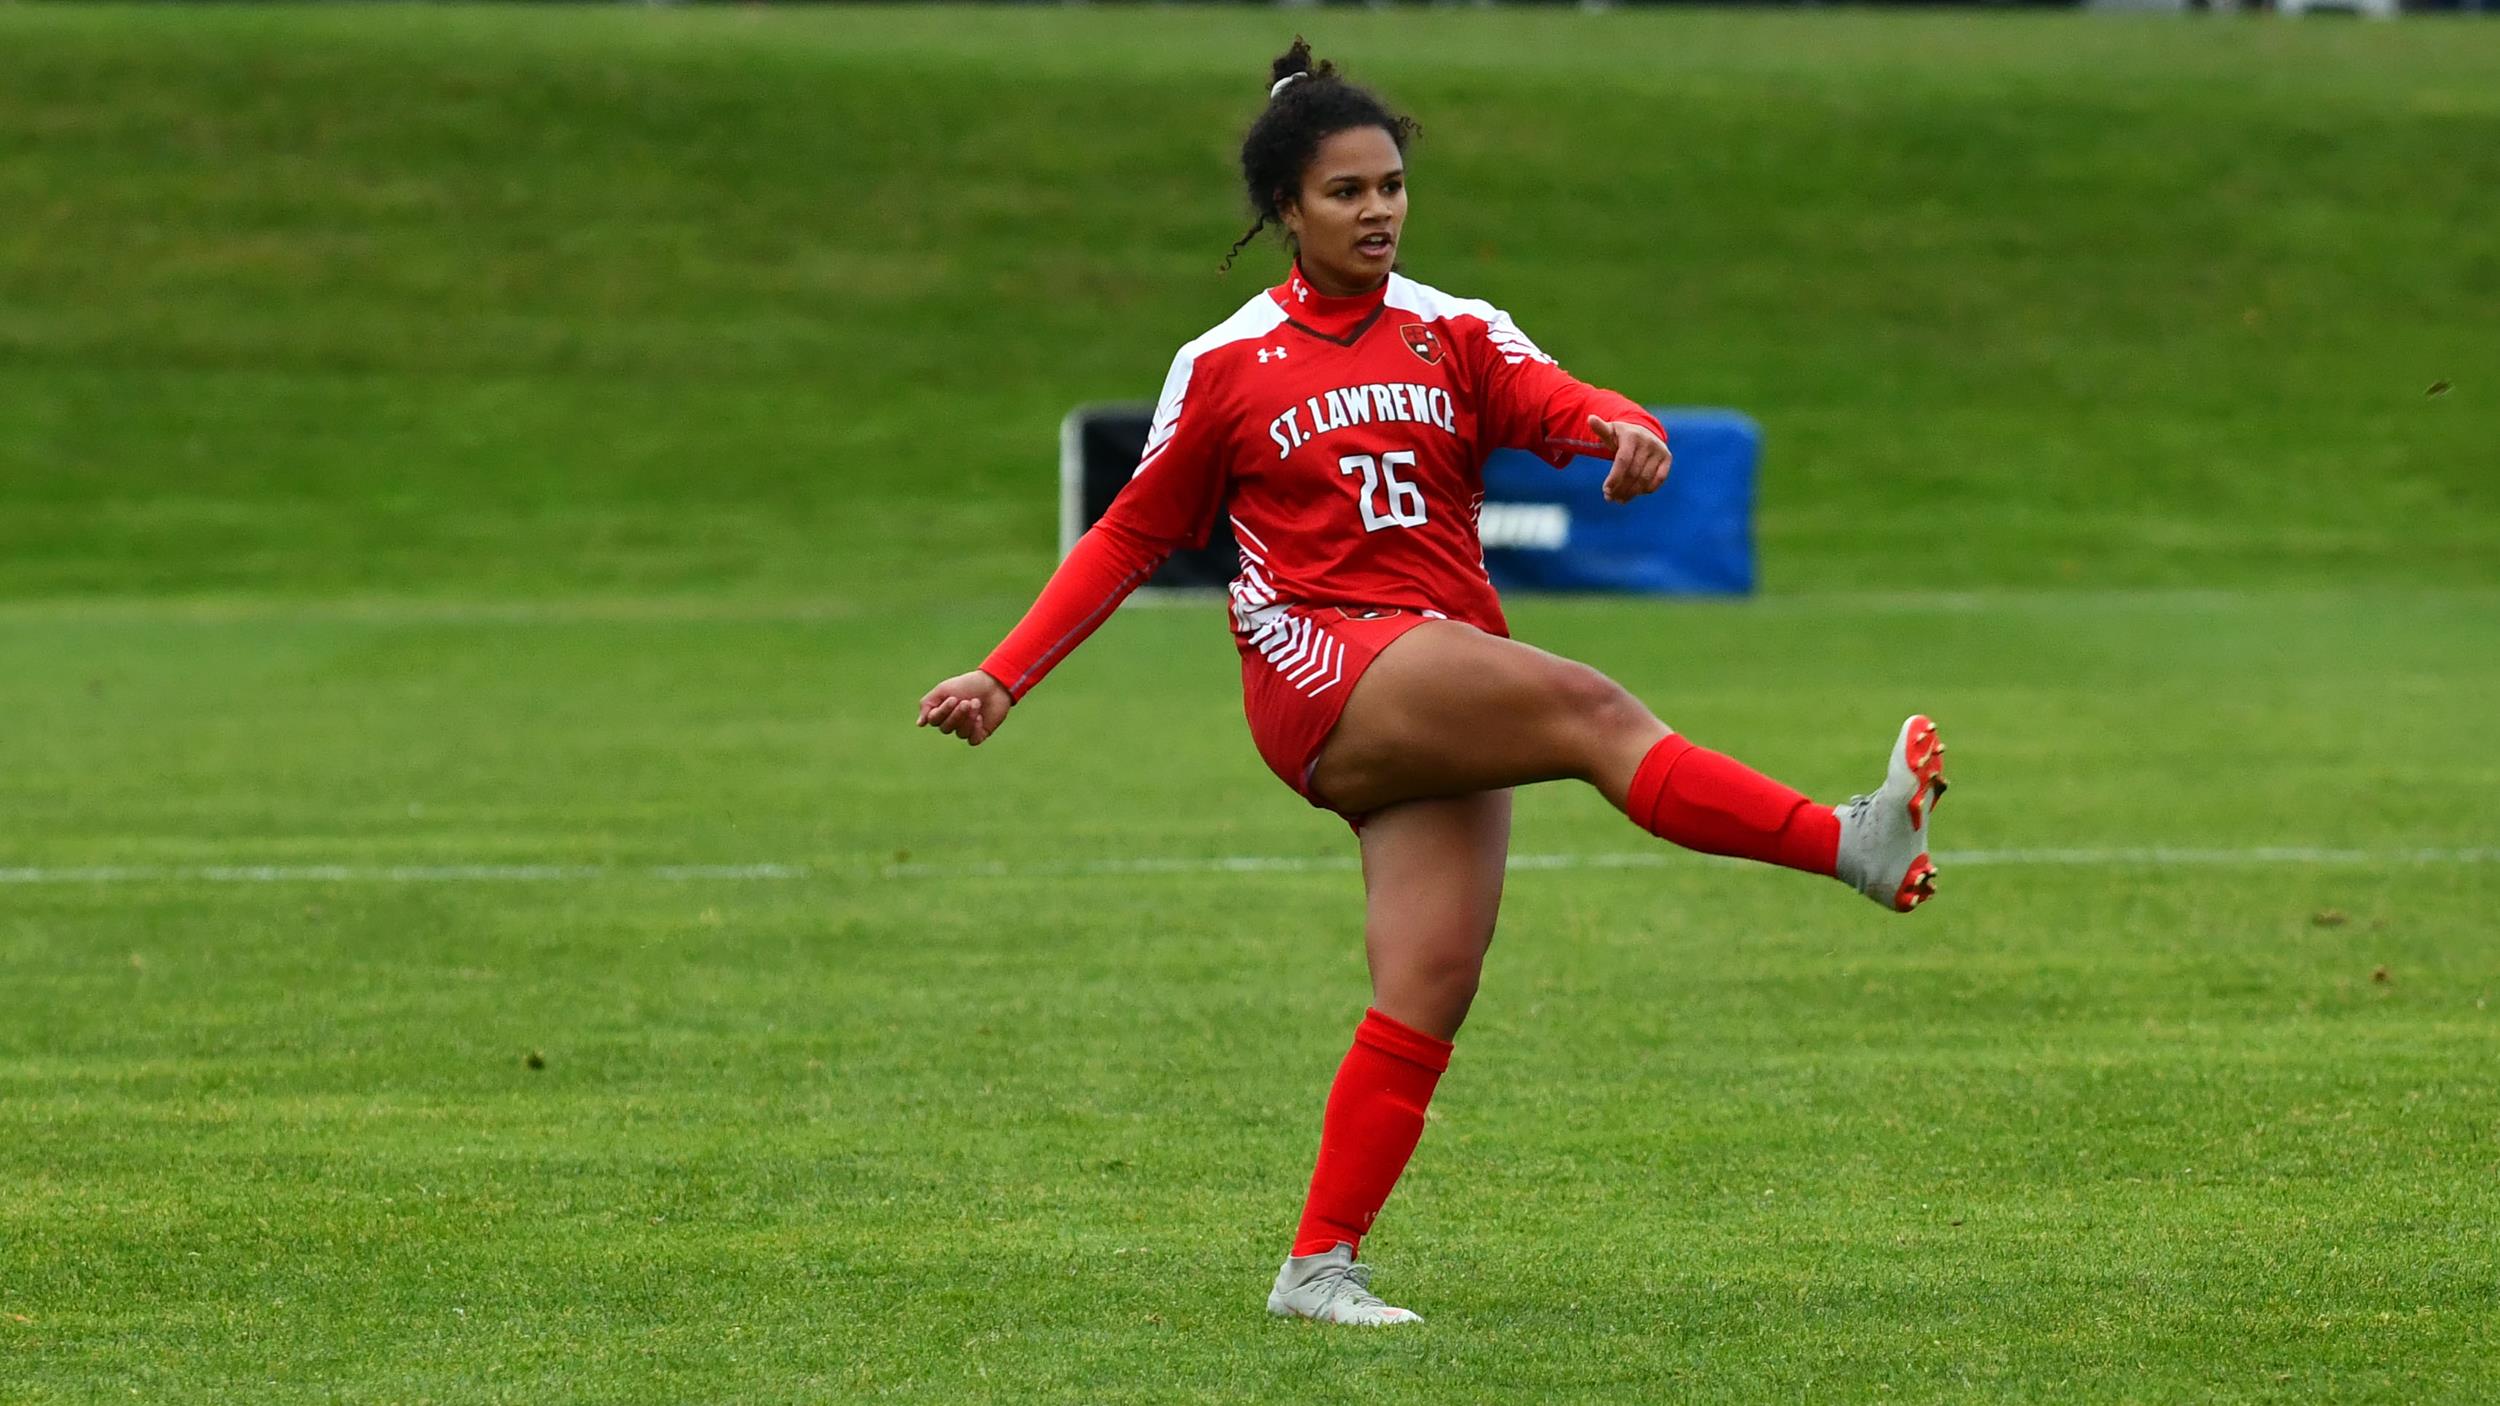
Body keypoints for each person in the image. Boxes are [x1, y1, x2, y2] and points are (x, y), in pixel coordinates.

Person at [916, 39, 1948, 1327]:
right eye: (1346, 191)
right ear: (1286, 209)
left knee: (1430, 984)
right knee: (1588, 709)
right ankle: (1847, 842)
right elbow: (1131, 533)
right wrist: (1005, 676)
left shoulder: (1453, 328)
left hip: (1435, 665)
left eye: (1392, 185)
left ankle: (1316, 1269)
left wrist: (1623, 428)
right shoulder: (1227, 362)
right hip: (1317, 659)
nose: (1379, 210)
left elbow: (1557, 398)